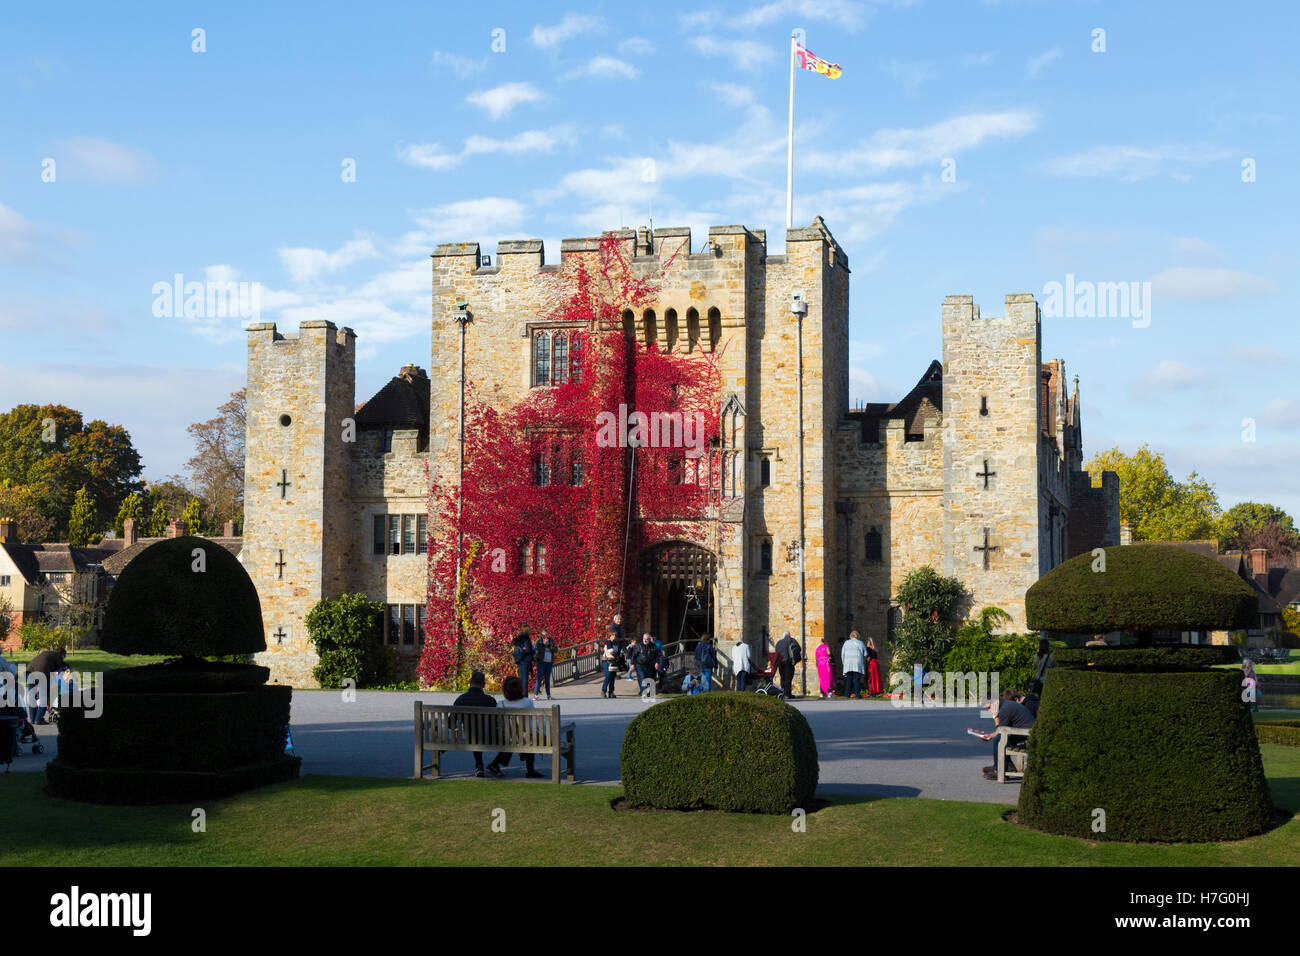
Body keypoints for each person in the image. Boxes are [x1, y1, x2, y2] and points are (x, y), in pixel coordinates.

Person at [486, 675, 544, 779]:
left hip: (508, 737)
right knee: (530, 737)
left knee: (514, 738)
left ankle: (494, 765)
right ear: (520, 689)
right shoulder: (527, 702)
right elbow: (531, 724)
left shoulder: (501, 704)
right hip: (524, 737)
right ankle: (530, 769)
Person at [975, 690, 1035, 780]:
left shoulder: (1004, 709)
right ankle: (1005, 766)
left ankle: (999, 770)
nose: (989, 710)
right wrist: (991, 735)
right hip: (1024, 732)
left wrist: (995, 717)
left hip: (1026, 736)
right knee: (999, 738)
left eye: (989, 707)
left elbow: (1001, 730)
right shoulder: (1006, 704)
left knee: (998, 740)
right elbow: (1003, 729)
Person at [452, 671, 496, 777]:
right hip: (490, 738)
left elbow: (451, 723)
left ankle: (479, 764)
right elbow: (497, 722)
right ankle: (495, 764)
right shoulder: (490, 700)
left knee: (474, 734)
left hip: (469, 737)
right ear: (484, 684)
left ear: (470, 682)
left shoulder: (461, 699)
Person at [25, 647, 66, 725]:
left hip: (29, 671)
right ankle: (39, 719)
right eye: (64, 657)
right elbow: (62, 668)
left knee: (32, 696)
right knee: (44, 696)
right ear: (62, 654)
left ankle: (33, 719)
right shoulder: (58, 656)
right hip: (41, 673)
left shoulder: (47, 653)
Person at [775, 630, 802, 698]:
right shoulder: (792, 640)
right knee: (788, 678)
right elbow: (799, 648)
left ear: (783, 636)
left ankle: (783, 693)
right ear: (789, 635)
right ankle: (787, 694)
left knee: (783, 678)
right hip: (788, 662)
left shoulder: (779, 642)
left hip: (780, 662)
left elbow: (776, 651)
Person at [840, 631, 866, 699]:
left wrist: (844, 662)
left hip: (848, 663)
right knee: (856, 679)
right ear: (857, 636)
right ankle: (857, 695)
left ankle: (847, 694)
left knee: (848, 679)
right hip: (857, 663)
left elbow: (842, 654)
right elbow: (865, 653)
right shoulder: (860, 642)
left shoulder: (846, 643)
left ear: (850, 636)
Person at [533, 630, 557, 700]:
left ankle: (548, 695)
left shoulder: (551, 640)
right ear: (541, 636)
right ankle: (535, 695)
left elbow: (556, 650)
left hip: (549, 662)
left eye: (546, 635)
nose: (545, 636)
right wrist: (543, 645)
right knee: (539, 678)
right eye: (543, 635)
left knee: (547, 679)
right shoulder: (539, 641)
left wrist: (549, 646)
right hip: (541, 662)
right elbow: (536, 650)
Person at [600, 631, 621, 699]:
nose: (614, 637)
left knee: (612, 677)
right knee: (608, 676)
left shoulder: (615, 643)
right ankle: (603, 691)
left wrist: (618, 654)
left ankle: (611, 692)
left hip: (613, 661)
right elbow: (611, 651)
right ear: (610, 636)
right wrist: (617, 655)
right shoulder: (608, 642)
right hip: (606, 661)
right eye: (613, 635)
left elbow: (618, 652)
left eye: (615, 635)